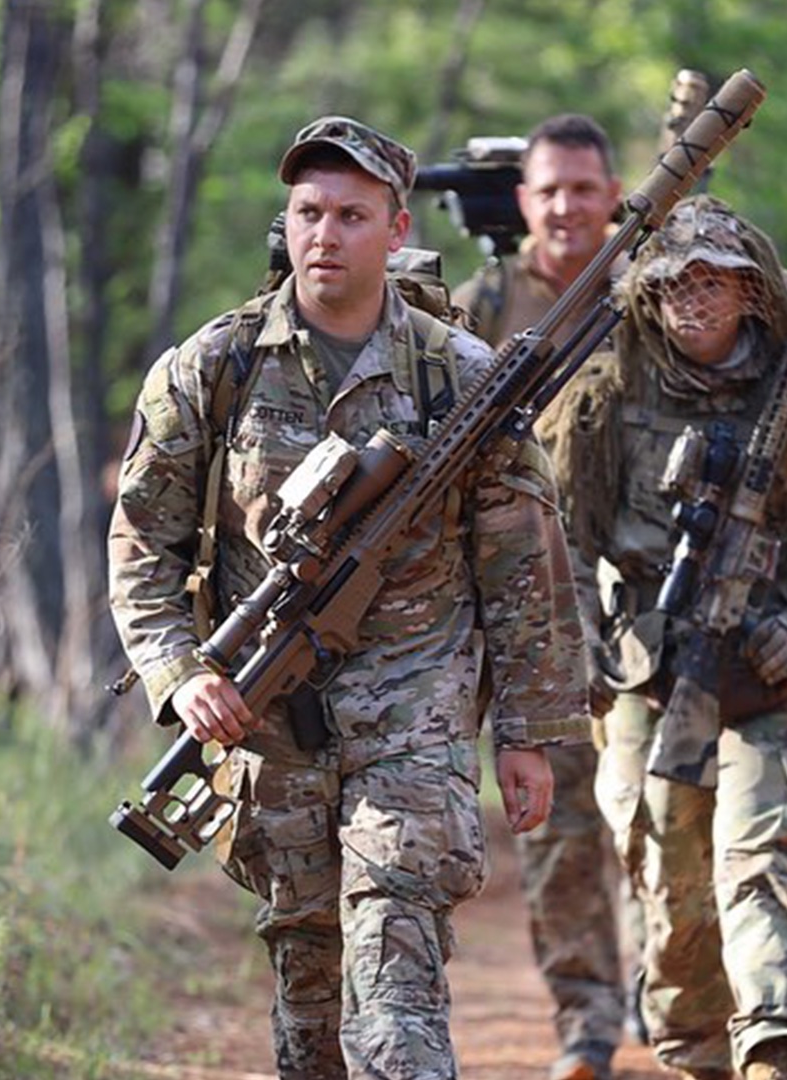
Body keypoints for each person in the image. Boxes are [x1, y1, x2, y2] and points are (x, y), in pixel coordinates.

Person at [108, 115, 590, 1079]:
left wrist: (529, 732)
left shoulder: (461, 376)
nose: (325, 234)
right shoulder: (216, 368)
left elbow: (522, 564)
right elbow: (141, 546)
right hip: (267, 704)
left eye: (351, 215)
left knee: (395, 945)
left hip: (417, 700)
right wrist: (178, 671)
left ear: (396, 228)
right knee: (308, 964)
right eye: (307, 212)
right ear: (286, 225)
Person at [538, 194, 787, 1080]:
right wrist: (585, 647)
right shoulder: (604, 398)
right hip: (648, 678)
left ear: (752, 294)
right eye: (675, 285)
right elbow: (557, 547)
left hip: (770, 677)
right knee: (670, 885)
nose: (693, 301)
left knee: (760, 859)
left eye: (716, 283)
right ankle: (700, 1052)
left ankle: (777, 1037)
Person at [450, 113, 631, 1080]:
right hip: (535, 602)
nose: (565, 206)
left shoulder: (653, 289)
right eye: (548, 190)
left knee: (653, 811)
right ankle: (587, 1022)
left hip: (649, 594)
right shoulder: (480, 305)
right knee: (559, 829)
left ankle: (667, 991)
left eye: (584, 188)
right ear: (523, 201)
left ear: (613, 195)